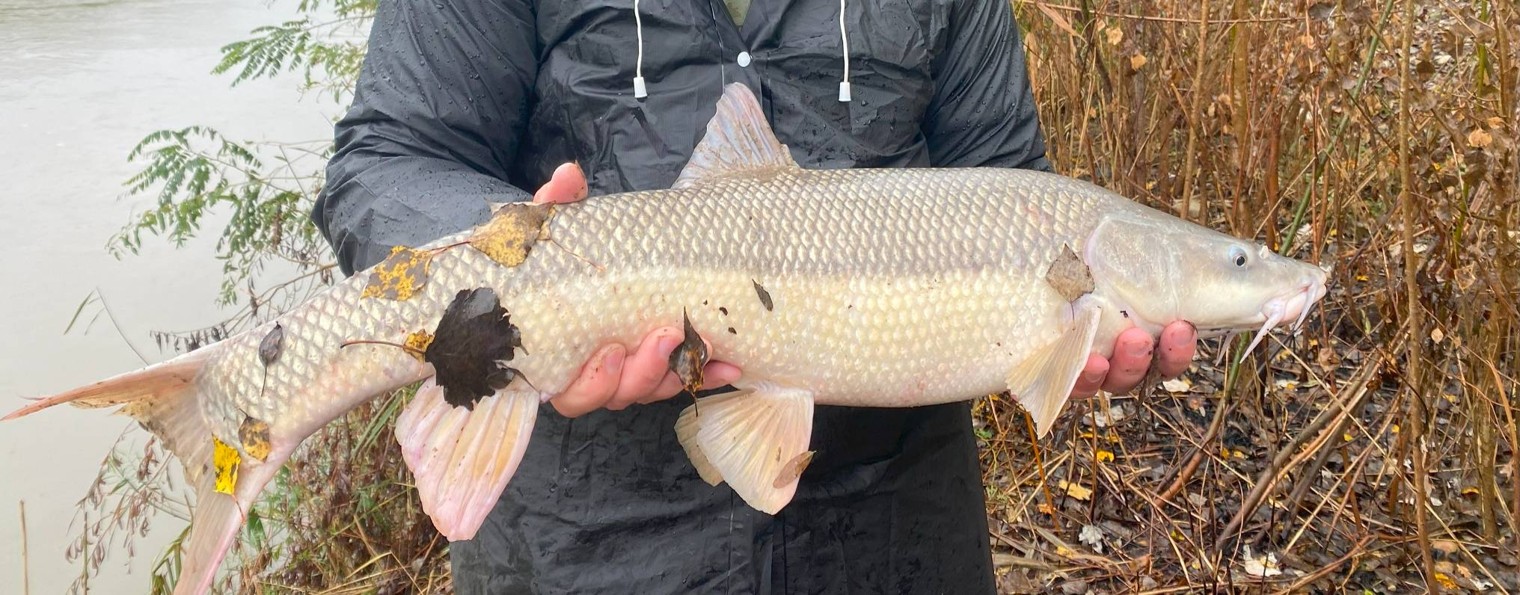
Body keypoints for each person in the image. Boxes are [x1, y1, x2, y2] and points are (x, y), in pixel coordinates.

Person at [314, 1, 1197, 592]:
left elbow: (1007, 186)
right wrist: (519, 264)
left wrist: (1063, 335)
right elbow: (387, 164)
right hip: (577, 542)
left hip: (899, 536)